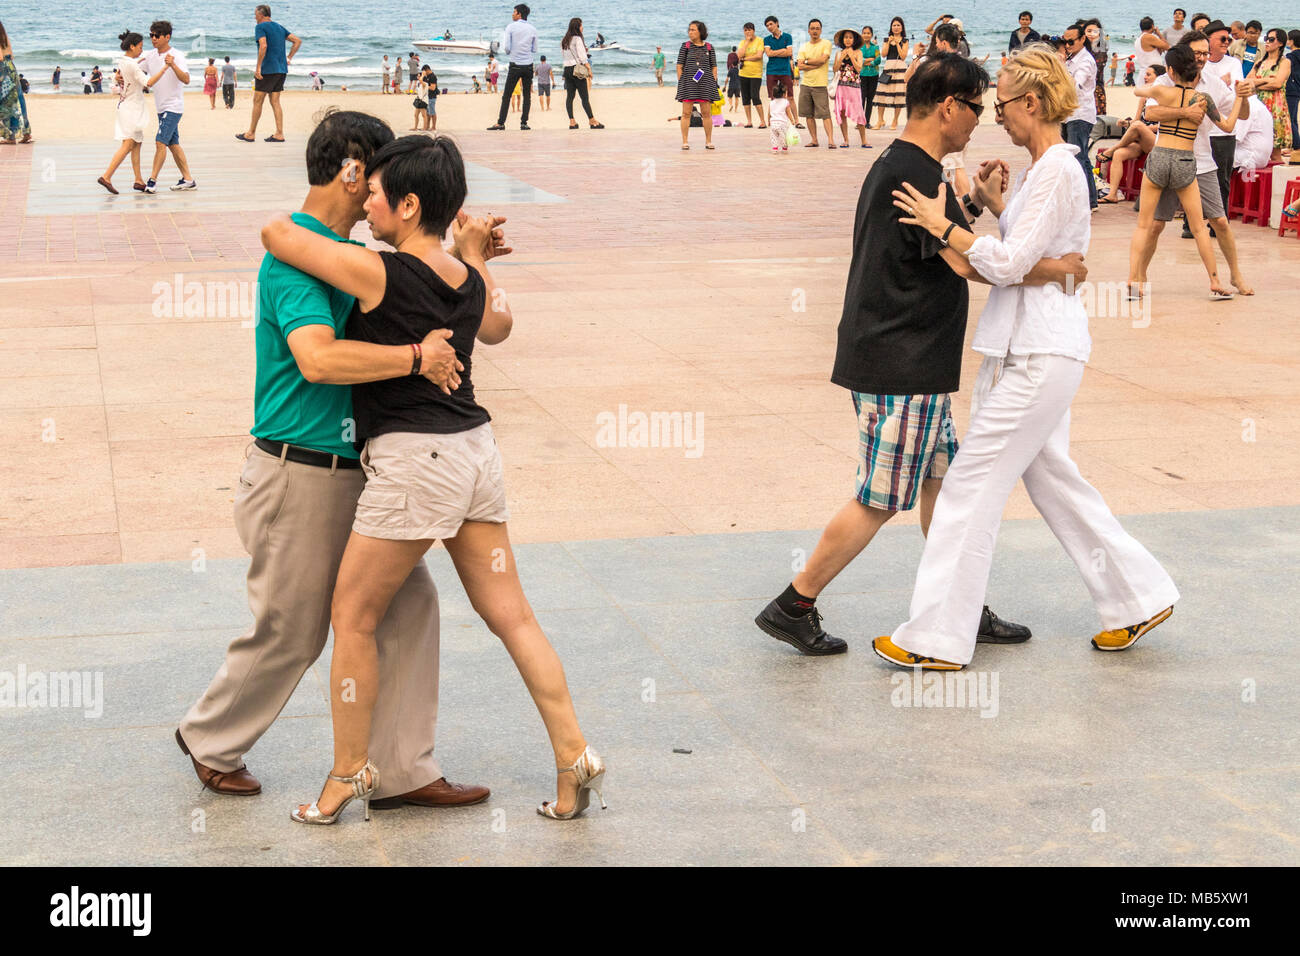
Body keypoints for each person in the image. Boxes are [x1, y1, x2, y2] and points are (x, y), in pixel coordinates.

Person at [259, 134, 606, 825]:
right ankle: (575, 758)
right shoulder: (468, 280)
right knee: (514, 617)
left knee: (352, 617)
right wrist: (472, 253)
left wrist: (351, 190)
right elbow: (499, 325)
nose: (367, 201)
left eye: (378, 192)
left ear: (410, 205)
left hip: (418, 463)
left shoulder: (378, 271)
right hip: (476, 452)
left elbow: (277, 234)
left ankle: (346, 776)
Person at [179, 108, 489, 813]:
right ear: (354, 173)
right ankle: (211, 739)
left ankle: (404, 769)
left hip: (359, 468)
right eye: (379, 174)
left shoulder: (346, 253)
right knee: (293, 628)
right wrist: (416, 358)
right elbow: (317, 360)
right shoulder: (296, 257)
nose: (383, 189)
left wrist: (467, 250)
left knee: (410, 607)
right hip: (300, 471)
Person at [755, 53, 1086, 658]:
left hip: (907, 355)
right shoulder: (917, 173)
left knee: (942, 486)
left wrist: (983, 205)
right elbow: (968, 262)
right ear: (948, 107)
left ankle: (959, 604)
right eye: (978, 109)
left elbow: (940, 239)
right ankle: (794, 602)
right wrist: (1056, 270)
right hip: (899, 358)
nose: (980, 122)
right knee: (881, 496)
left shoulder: (904, 161)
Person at [875, 45, 1179, 672]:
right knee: (1056, 484)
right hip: (1028, 346)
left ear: (1033, 103)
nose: (997, 117)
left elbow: (1009, 265)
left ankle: (936, 637)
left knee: (967, 486)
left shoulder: (1062, 167)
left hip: (1039, 352)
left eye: (1004, 105)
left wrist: (946, 224)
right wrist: (992, 208)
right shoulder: (1046, 169)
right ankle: (1135, 597)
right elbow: (1037, 252)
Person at [1128, 41, 1251, 299]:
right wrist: (1239, 98)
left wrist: (1147, 89)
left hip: (1160, 157)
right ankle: (1215, 280)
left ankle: (1132, 278)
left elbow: (1142, 99)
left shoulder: (1162, 87)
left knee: (1143, 225)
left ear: (1172, 71)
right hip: (1186, 160)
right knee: (1197, 227)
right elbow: (1228, 126)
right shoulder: (1202, 99)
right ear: (1193, 67)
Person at [141, 21, 195, 193]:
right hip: (161, 107)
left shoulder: (176, 55)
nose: (153, 39)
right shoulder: (150, 56)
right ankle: (188, 180)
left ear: (167, 37)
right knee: (173, 144)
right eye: (151, 35)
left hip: (174, 107)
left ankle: (152, 181)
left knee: (160, 142)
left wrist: (172, 65)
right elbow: (137, 71)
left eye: (157, 35)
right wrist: (121, 75)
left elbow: (186, 79)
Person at [1097, 64, 1163, 203]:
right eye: (1145, 74)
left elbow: (1164, 125)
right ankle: (1113, 194)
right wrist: (1126, 123)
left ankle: (1111, 149)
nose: (1144, 77)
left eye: (1149, 74)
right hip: (1141, 139)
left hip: (1157, 140)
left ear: (1159, 78)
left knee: (1138, 126)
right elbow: (1136, 120)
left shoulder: (1165, 98)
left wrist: (1143, 128)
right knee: (1119, 154)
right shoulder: (1144, 98)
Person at [97, 30, 151, 193]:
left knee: (136, 143)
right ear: (132, 46)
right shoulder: (132, 64)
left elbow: (118, 76)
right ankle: (106, 176)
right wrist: (164, 71)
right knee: (128, 144)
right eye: (140, 47)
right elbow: (147, 82)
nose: (142, 49)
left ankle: (138, 180)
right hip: (132, 108)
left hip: (127, 105)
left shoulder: (123, 61)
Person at [238, 5, 300, 143]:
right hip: (281, 69)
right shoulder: (279, 27)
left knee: (257, 101)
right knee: (275, 101)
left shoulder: (260, 27)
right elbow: (297, 41)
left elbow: (263, 45)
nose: (254, 17)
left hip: (268, 69)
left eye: (255, 14)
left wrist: (258, 67)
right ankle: (279, 133)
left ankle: (251, 133)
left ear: (261, 14)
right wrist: (288, 58)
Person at [1062, 23, 1098, 210]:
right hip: (1068, 114)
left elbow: (1075, 85)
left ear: (1082, 39)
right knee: (1074, 157)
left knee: (1079, 157)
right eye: (1064, 41)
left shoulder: (1085, 61)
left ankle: (1089, 200)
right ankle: (1085, 198)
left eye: (1070, 41)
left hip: (1080, 114)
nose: (1067, 45)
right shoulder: (1070, 60)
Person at [488, 4, 536, 131]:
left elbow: (507, 48)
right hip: (528, 66)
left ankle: (501, 123)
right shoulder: (532, 29)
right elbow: (534, 49)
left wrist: (513, 52)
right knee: (527, 95)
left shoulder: (510, 27)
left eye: (514, 12)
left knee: (507, 95)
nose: (512, 14)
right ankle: (524, 123)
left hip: (515, 65)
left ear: (519, 14)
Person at [1246, 28, 1292, 163]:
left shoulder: (1285, 62)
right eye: (1266, 38)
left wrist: (1257, 84)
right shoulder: (1259, 62)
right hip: (1259, 106)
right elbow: (1248, 81)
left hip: (1276, 109)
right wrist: (1266, 80)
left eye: (1271, 39)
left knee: (1275, 153)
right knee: (1259, 151)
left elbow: (1277, 83)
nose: (1267, 42)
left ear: (1280, 43)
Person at [675, 20, 718, 150]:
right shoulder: (685, 46)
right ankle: (685, 141)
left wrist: (713, 82)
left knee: (706, 113)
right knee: (686, 113)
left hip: (705, 84)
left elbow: (714, 67)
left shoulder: (709, 47)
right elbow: (679, 66)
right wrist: (681, 81)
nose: (690, 32)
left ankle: (708, 141)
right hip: (688, 84)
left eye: (693, 30)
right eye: (689, 30)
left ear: (700, 32)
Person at [795, 19, 833, 147]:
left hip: (820, 85)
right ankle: (814, 140)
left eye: (817, 28)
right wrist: (810, 64)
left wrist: (806, 62)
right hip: (805, 84)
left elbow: (822, 60)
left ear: (821, 30)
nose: (815, 31)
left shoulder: (826, 43)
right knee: (808, 114)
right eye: (812, 28)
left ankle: (831, 140)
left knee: (825, 114)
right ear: (808, 30)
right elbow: (799, 66)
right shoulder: (804, 46)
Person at [561, 18, 602, 129]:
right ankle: (592, 121)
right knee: (584, 97)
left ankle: (572, 122)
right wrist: (589, 70)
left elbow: (564, 56)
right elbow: (583, 58)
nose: (582, 27)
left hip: (567, 70)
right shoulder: (577, 39)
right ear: (577, 27)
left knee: (570, 97)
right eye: (581, 25)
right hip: (577, 70)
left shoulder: (564, 40)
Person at [832, 28, 869, 148]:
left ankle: (864, 140)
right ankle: (846, 140)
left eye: (850, 37)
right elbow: (835, 69)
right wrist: (842, 57)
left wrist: (851, 56)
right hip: (841, 87)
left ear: (854, 40)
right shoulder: (839, 53)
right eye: (846, 37)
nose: (848, 40)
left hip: (854, 87)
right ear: (843, 40)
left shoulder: (858, 52)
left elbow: (859, 69)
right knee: (842, 112)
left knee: (859, 112)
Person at [0, 21, 34, 144]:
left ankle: (10, 136)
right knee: (19, 100)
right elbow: (11, 55)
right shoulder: (4, 36)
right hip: (11, 68)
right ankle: (26, 133)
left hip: (2, 70)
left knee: (6, 104)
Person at [762, 16, 797, 130]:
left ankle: (796, 121)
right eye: (767, 25)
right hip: (771, 70)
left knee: (790, 96)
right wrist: (782, 51)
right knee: (773, 98)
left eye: (771, 24)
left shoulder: (787, 37)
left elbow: (789, 52)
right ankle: (772, 120)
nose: (769, 27)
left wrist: (775, 52)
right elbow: (768, 54)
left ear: (777, 23)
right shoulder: (767, 39)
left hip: (785, 70)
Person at [875, 18, 909, 130]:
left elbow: (903, 56)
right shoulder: (886, 39)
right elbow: (884, 54)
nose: (896, 27)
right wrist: (889, 42)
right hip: (888, 66)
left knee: (898, 94)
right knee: (882, 93)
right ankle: (880, 120)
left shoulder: (905, 40)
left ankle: (895, 121)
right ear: (891, 27)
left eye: (898, 25)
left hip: (900, 67)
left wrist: (898, 43)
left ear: (902, 27)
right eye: (894, 25)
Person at [737, 23, 765, 128]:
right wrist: (747, 42)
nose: (748, 32)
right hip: (743, 73)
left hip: (755, 74)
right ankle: (749, 121)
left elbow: (758, 56)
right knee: (745, 97)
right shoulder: (742, 42)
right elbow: (739, 55)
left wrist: (745, 58)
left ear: (754, 30)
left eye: (749, 30)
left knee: (755, 96)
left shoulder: (760, 41)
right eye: (745, 30)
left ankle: (762, 121)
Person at [859, 26, 881, 125]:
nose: (866, 35)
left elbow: (878, 60)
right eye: (864, 33)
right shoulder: (859, 47)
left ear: (871, 35)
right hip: (862, 74)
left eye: (868, 33)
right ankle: (860, 121)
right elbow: (858, 60)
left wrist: (871, 62)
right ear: (861, 34)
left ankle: (867, 122)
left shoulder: (875, 47)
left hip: (874, 74)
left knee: (870, 99)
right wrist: (869, 59)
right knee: (862, 98)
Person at [768, 78, 791, 151]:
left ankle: (775, 148)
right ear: (784, 94)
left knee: (773, 136)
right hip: (782, 123)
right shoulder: (785, 102)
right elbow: (788, 112)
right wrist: (793, 121)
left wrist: (768, 121)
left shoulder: (771, 102)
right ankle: (784, 148)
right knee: (783, 137)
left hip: (773, 123)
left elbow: (769, 113)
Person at [1288, 30, 1300, 161]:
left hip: (1291, 89)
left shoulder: (1291, 57)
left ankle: (1296, 145)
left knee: (1290, 118)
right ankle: (1296, 143)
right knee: (1294, 118)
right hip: (1298, 88)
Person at [726, 46, 740, 111]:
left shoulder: (729, 55)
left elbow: (728, 62)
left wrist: (728, 69)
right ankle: (736, 109)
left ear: (732, 49)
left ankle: (731, 105)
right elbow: (739, 61)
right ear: (736, 49)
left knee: (729, 97)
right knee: (737, 97)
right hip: (738, 85)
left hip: (731, 85)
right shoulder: (737, 55)